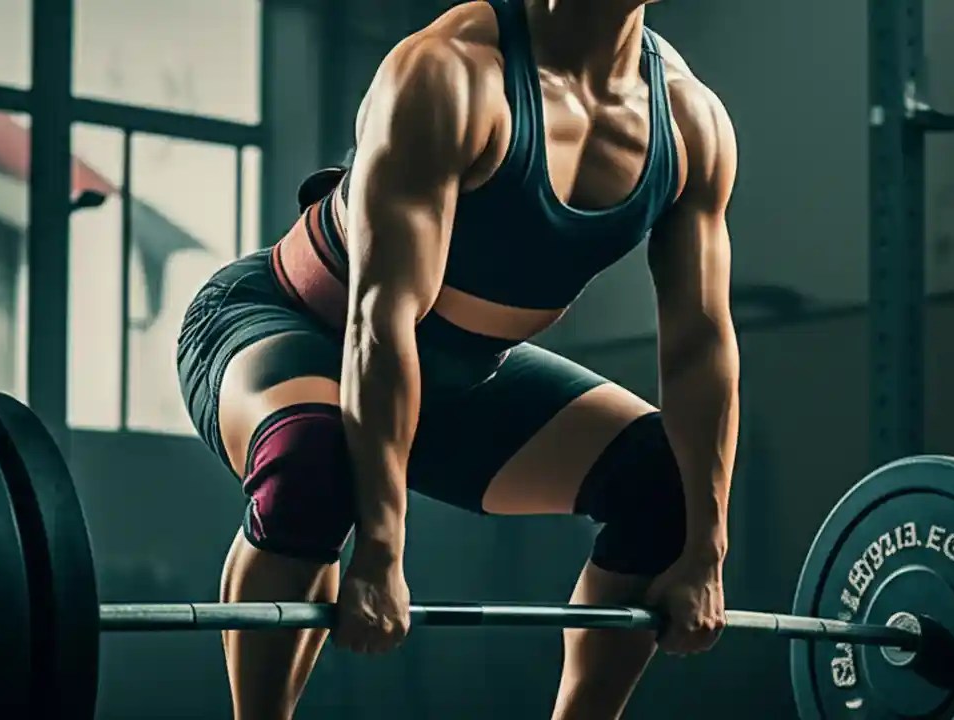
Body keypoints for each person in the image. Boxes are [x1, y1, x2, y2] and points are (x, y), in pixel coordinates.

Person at [175, 0, 739, 717]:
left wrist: (705, 555)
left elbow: (699, 348)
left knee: (664, 484)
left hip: (462, 373)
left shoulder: (690, 123)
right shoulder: (448, 73)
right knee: (315, 468)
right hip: (286, 324)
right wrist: (380, 552)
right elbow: (381, 322)